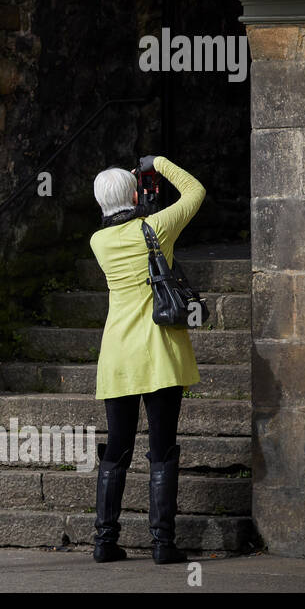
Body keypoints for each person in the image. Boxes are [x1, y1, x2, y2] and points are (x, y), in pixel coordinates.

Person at [88, 155, 205, 564]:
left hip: (118, 354)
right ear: (136, 195)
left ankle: (104, 540)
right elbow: (195, 191)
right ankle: (162, 543)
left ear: (100, 202)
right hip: (159, 354)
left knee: (117, 447)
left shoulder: (98, 242)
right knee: (162, 448)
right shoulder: (157, 228)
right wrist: (158, 162)